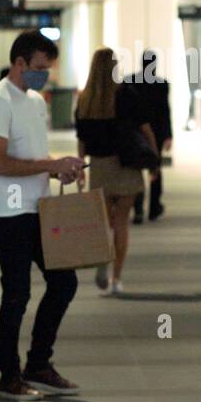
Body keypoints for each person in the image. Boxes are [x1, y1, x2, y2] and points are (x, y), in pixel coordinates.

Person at [0, 30, 86, 401]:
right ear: (19, 62)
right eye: (40, 68)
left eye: (49, 69)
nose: (45, 75)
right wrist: (50, 165)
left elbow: (35, 155)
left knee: (64, 282)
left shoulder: (37, 102)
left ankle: (38, 364)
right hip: (9, 213)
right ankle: (9, 376)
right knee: (17, 293)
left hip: (39, 208)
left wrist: (59, 169)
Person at [75, 47, 157, 296]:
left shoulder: (85, 99)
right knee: (121, 222)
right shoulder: (126, 94)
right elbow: (145, 129)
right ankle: (116, 279)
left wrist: (80, 167)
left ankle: (102, 260)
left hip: (99, 166)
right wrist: (153, 160)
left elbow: (82, 139)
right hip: (125, 165)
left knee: (102, 222)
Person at [133, 49, 171, 225]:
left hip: (135, 133)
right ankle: (154, 207)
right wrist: (168, 135)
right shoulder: (161, 84)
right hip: (156, 133)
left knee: (135, 171)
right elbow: (165, 112)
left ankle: (138, 208)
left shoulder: (130, 81)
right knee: (155, 169)